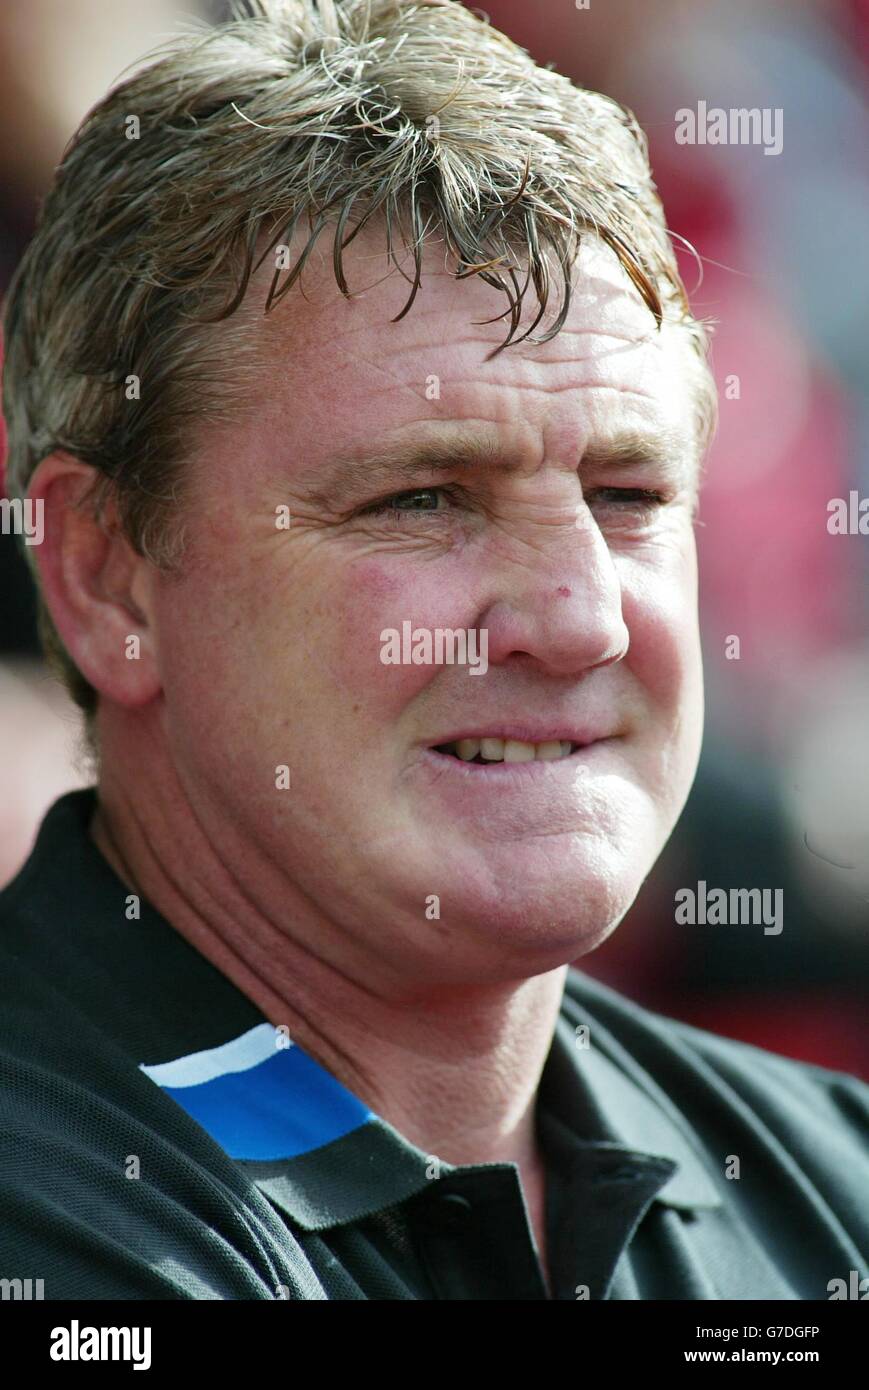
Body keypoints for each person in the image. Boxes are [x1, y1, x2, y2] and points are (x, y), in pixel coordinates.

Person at [0, 0, 866, 1301]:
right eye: (423, 499)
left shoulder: (830, 1181)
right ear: (106, 572)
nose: (578, 616)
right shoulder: (49, 1210)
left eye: (628, 496)